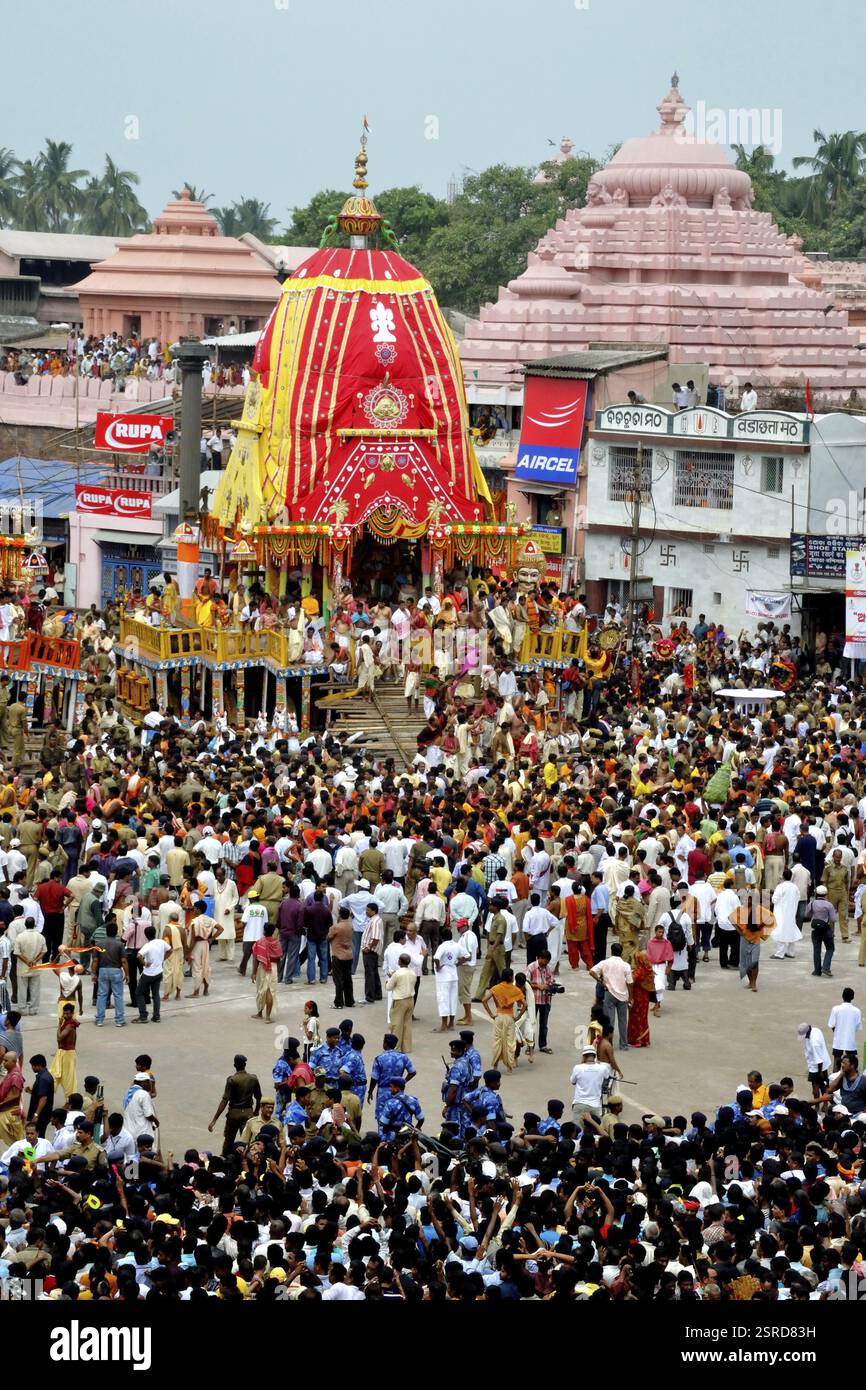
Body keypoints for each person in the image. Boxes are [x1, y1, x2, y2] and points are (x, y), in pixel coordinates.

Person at [208, 1054, 261, 1155]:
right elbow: (259, 1097)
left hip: (233, 1114)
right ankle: (248, 1160)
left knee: (229, 1140)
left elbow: (224, 1101)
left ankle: (224, 1158)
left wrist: (214, 1119)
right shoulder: (253, 1078)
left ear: (234, 1065)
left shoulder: (231, 1080)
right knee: (247, 1141)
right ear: (245, 1064)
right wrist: (256, 1111)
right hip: (248, 1114)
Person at [482, 967, 526, 1074]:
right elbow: (525, 1005)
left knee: (498, 1041)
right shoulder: (515, 990)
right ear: (511, 977)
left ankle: (495, 1066)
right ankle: (509, 1068)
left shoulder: (496, 988)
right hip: (510, 1017)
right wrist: (518, 1017)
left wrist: (491, 1014)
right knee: (510, 1042)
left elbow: (484, 1000)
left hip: (499, 1016)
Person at [590, 944, 633, 1051]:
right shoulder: (626, 965)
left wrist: (600, 981)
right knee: (623, 1021)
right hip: (623, 996)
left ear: (611, 951)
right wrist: (630, 997)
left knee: (610, 1021)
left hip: (609, 994)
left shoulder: (605, 962)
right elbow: (630, 983)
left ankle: (609, 1044)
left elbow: (592, 971)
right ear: (621, 952)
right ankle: (623, 1045)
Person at [570, 1045, 612, 1130]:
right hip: (595, 1105)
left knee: (578, 1131)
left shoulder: (578, 1068)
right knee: (595, 1131)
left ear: (584, 1056)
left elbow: (573, 1081)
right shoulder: (602, 1068)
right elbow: (607, 1076)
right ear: (595, 1056)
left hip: (580, 1103)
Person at [133, 925, 167, 1024]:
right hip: (158, 972)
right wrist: (163, 959)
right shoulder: (161, 942)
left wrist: (144, 963)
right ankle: (156, 1016)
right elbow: (170, 950)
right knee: (155, 994)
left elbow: (138, 956)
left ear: (146, 935)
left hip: (148, 973)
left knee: (139, 993)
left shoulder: (147, 945)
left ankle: (143, 1016)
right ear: (155, 933)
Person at [251, 923, 281, 1023]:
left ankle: (260, 1013)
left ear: (264, 931)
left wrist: (253, 973)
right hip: (273, 968)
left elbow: (256, 959)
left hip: (262, 968)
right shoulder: (276, 943)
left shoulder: (260, 942)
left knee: (261, 990)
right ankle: (267, 1017)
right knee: (270, 992)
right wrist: (279, 972)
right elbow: (279, 959)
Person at [527, 948, 556, 1053]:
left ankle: (543, 1045)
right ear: (539, 958)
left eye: (547, 962)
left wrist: (550, 985)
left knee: (544, 1025)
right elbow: (526, 983)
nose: (545, 964)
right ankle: (530, 1046)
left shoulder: (548, 968)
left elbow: (551, 980)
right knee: (532, 1024)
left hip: (545, 1000)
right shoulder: (531, 967)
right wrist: (538, 986)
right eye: (544, 962)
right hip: (533, 1000)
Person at [432, 926, 460, 1032]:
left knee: (443, 999)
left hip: (443, 977)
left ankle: (444, 1025)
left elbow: (436, 958)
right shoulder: (457, 945)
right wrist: (457, 963)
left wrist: (438, 967)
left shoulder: (442, 946)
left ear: (442, 937)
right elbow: (467, 956)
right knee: (452, 999)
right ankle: (451, 1023)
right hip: (453, 975)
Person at [386, 956, 416, 1054]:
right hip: (410, 1000)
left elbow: (388, 987)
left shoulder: (397, 974)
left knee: (396, 1025)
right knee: (407, 1024)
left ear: (400, 961)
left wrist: (389, 979)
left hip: (399, 1000)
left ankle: (396, 1047)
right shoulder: (412, 973)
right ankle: (406, 1047)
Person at [48, 1007, 78, 1102]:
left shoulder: (69, 1025)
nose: (65, 1016)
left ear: (72, 1014)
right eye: (64, 1013)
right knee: (54, 1073)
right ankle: (46, 1091)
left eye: (67, 1014)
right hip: (61, 1052)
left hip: (68, 1054)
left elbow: (60, 1037)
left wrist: (59, 1025)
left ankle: (69, 1101)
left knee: (68, 1079)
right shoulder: (67, 1023)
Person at [807, 885, 837, 978]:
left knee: (817, 950)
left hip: (815, 930)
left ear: (816, 894)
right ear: (826, 894)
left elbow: (807, 914)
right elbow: (833, 919)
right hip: (826, 930)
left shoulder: (812, 903)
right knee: (830, 948)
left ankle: (817, 971)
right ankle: (826, 967)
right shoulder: (829, 905)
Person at [797, 1021, 832, 1100]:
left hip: (817, 1067)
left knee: (816, 1086)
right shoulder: (816, 1030)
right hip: (822, 1064)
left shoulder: (814, 1043)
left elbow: (819, 1060)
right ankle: (824, 1103)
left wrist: (820, 1073)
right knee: (823, 1085)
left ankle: (817, 1103)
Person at [828, 988, 862, 1065]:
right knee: (851, 1064)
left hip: (838, 1041)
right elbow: (857, 1027)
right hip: (850, 1041)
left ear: (842, 996)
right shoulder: (857, 1011)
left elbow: (831, 1025)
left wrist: (837, 1032)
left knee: (836, 1063)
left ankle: (837, 1073)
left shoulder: (835, 1009)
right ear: (852, 997)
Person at [628, 949, 654, 1047]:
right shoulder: (649, 970)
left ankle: (636, 1040)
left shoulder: (639, 970)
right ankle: (644, 1040)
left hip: (637, 997)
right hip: (645, 997)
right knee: (643, 1017)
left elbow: (630, 981)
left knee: (636, 1017)